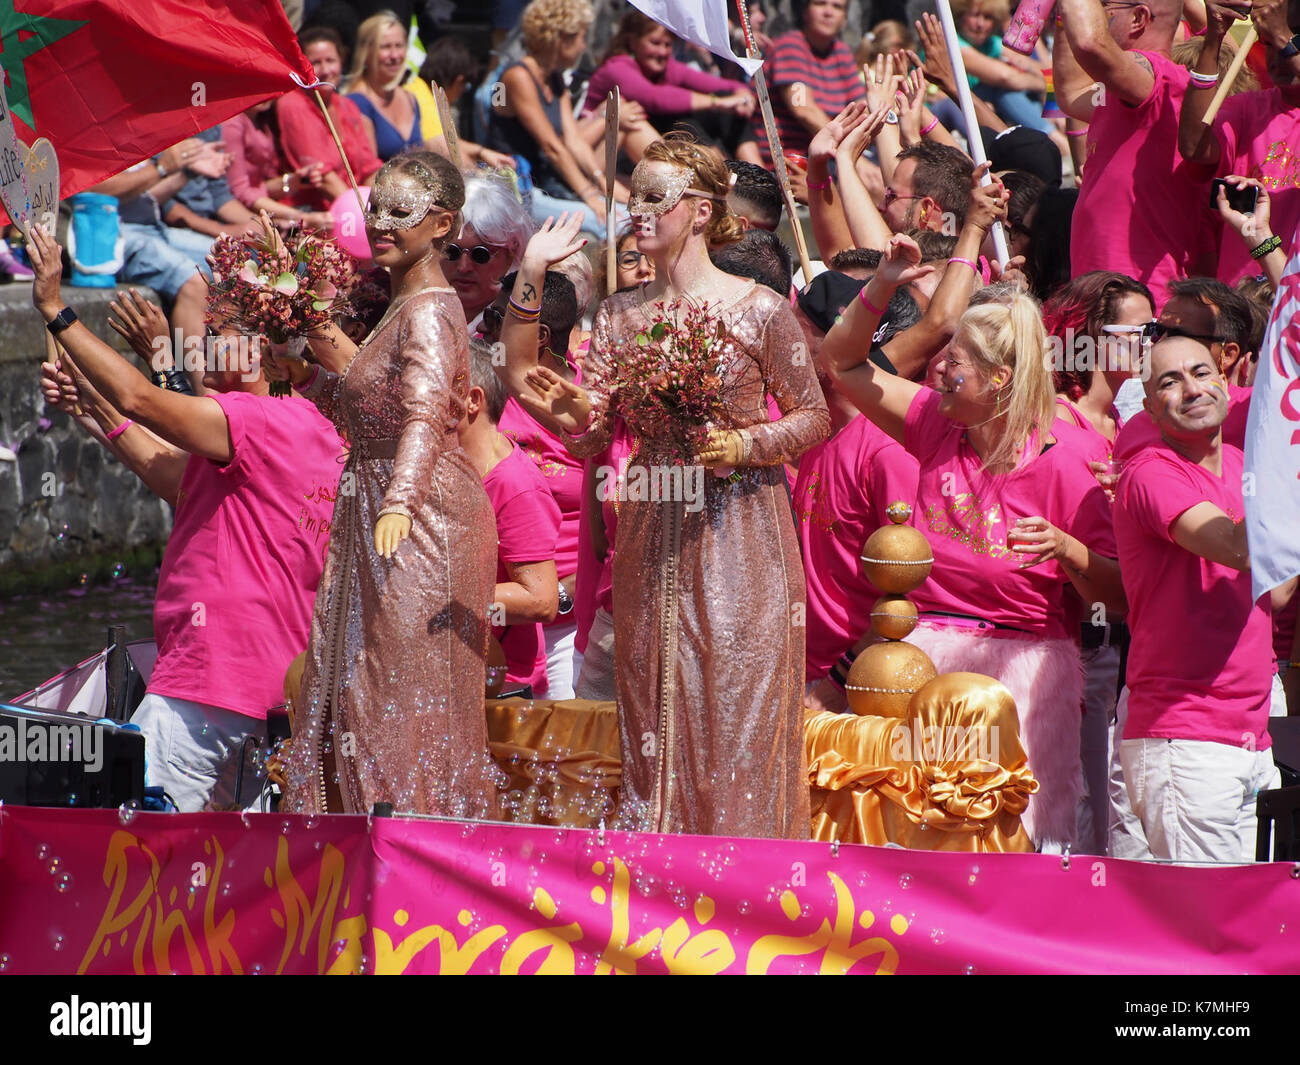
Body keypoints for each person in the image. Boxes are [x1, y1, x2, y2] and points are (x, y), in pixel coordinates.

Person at [500, 136, 831, 838]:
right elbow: (583, 429)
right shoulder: (620, 316)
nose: (637, 212)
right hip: (651, 537)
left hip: (742, 534)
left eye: (656, 198)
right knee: (655, 711)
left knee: (734, 714)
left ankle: (750, 898)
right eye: (633, 198)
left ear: (704, 211)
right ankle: (662, 899)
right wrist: (531, 279)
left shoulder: (761, 309)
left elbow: (815, 416)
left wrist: (743, 443)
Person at [822, 234, 1126, 849]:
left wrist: (1068, 550)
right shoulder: (937, 422)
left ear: (999, 379)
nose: (940, 369)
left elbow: (1119, 597)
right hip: (919, 663)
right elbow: (844, 363)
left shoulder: (1071, 460)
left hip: (1020, 682)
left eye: (955, 361)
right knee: (912, 839)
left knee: (1008, 846)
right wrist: (883, 282)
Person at [27, 242, 344, 812]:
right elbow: (177, 479)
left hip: (210, 678)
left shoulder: (252, 420)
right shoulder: (323, 427)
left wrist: (56, 309)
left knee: (135, 836)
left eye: (217, 332)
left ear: (261, 352)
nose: (199, 345)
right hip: (282, 690)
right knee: (231, 863)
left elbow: (140, 398)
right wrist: (94, 410)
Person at [273, 151, 500, 816]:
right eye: (377, 208)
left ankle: (418, 861)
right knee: (353, 692)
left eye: (401, 211)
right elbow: (366, 414)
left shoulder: (430, 309)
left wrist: (399, 503)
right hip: (377, 506)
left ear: (442, 225)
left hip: (421, 519)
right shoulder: (397, 309)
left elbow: (428, 417)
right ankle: (363, 860)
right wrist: (307, 378)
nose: (381, 223)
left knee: (394, 701)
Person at [1113, 335, 1295, 862]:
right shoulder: (1149, 472)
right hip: (1185, 740)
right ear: (1148, 406)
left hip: (1253, 736)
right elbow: (1239, 548)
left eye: (1200, 372)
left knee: (1246, 924)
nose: (1191, 389)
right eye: (1170, 382)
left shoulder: (1242, 463)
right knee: (1205, 927)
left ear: (1224, 378)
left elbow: (1277, 590)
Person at [1053, 0, 1218, 306]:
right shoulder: (1125, 89)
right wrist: (1064, 17)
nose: (1096, 13)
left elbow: (1090, 43)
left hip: (1137, 299)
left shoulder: (1156, 75)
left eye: (1104, 6)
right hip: (1103, 295)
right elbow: (1071, 93)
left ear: (1138, 18)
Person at [462, 337, 560, 698]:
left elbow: (541, 599)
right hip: (457, 677)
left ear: (473, 400)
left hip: (506, 690)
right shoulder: (453, 465)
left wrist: (437, 593)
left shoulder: (515, 485)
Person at [1178, 0, 1300, 285]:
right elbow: (1194, 148)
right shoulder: (1247, 108)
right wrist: (1214, 38)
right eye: (1267, 42)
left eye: (1295, 38)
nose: (1278, 54)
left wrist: (1282, 35)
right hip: (1245, 305)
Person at [488, 0, 626, 234]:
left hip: (546, 183)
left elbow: (573, 140)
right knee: (612, 224)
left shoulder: (555, 79)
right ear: (560, 38)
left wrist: (602, 182)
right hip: (518, 190)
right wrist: (590, 195)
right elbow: (552, 146)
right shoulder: (517, 76)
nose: (584, 46)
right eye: (581, 37)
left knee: (623, 213)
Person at [583, 11, 759, 163]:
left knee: (727, 113)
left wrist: (742, 95)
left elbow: (726, 86)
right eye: (655, 43)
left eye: (667, 45)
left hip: (642, 146)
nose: (662, 51)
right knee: (682, 122)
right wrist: (719, 102)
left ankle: (758, 179)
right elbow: (655, 98)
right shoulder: (617, 68)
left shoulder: (666, 68)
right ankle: (720, 179)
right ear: (633, 43)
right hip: (600, 148)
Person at [277, 26, 383, 205]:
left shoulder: (347, 105)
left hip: (355, 208)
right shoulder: (292, 104)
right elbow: (324, 177)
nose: (325, 70)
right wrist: (361, 213)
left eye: (331, 60)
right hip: (314, 216)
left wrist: (377, 207)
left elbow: (369, 168)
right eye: (315, 63)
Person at [757, 0, 865, 165]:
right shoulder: (790, 46)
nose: (828, 12)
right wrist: (848, 155)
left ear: (844, 17)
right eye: (820, 4)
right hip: (791, 160)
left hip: (831, 153)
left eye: (837, 7)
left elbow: (861, 110)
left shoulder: (842, 52)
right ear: (805, 12)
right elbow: (803, 109)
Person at [224, 101, 336, 230]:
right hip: (243, 219)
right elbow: (241, 192)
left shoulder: (264, 118)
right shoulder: (232, 123)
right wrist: (302, 217)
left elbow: (261, 187)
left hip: (269, 210)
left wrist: (293, 180)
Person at [951, 0, 1054, 135]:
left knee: (1018, 92)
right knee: (1001, 90)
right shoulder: (955, 44)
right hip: (952, 109)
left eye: (987, 17)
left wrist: (1047, 92)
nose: (980, 24)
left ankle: (1053, 133)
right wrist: (1042, 84)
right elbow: (1006, 78)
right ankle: (1053, 138)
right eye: (975, 15)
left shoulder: (991, 43)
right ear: (960, 15)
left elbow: (1047, 71)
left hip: (984, 107)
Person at [448, 173, 535, 330]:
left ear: (512, 253)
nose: (463, 267)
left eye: (480, 255)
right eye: (452, 252)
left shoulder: (514, 329)